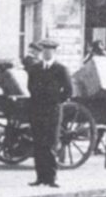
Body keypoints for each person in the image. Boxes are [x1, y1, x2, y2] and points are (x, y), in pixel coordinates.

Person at [26, 39, 72, 187]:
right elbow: (30, 86)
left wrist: (56, 101)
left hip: (52, 111)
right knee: (38, 144)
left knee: (51, 144)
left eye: (49, 51)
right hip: (37, 110)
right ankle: (40, 177)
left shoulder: (61, 69)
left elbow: (68, 90)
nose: (46, 53)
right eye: (44, 51)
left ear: (54, 52)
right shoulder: (35, 68)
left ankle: (51, 178)